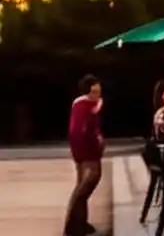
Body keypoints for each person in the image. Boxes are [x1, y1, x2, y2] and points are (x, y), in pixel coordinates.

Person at [65, 75, 104, 236]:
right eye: (95, 89)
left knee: (82, 187)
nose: (98, 93)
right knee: (85, 187)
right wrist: (98, 141)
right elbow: (83, 130)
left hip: (81, 151)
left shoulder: (81, 104)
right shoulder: (86, 105)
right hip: (89, 152)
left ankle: (79, 222)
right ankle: (73, 226)